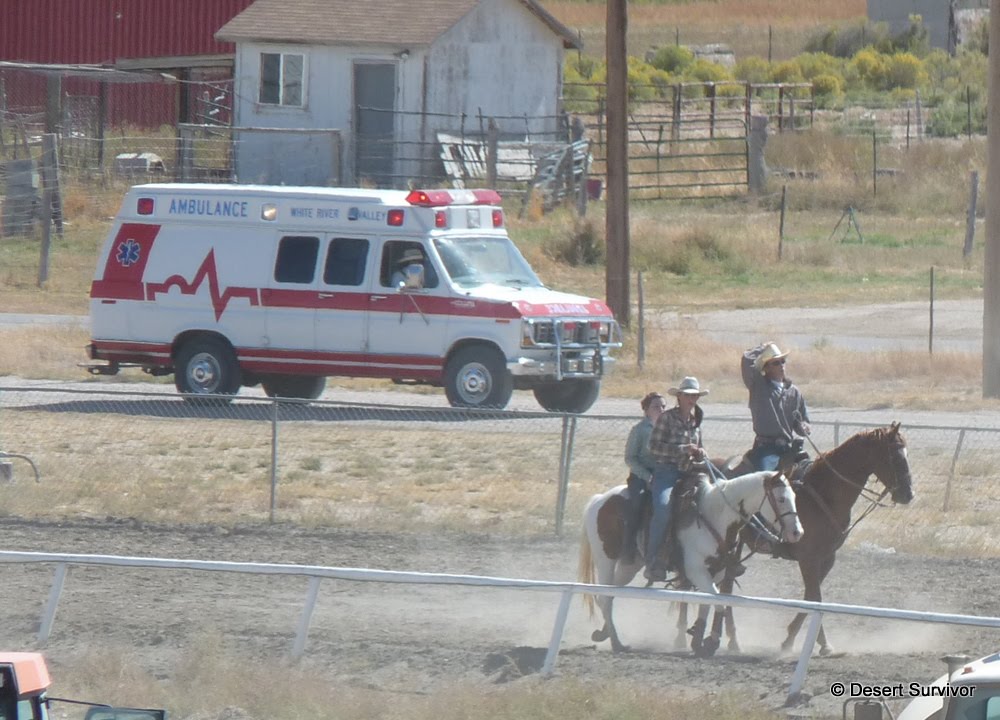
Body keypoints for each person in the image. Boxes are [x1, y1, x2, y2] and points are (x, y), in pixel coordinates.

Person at [644, 376, 708, 582]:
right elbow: (653, 447)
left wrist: (700, 452)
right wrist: (683, 449)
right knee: (662, 508)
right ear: (679, 397)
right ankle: (653, 560)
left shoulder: (696, 420)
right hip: (667, 472)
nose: (692, 399)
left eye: (695, 395)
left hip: (690, 471)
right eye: (688, 395)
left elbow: (700, 445)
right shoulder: (667, 418)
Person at [742, 342, 811, 472]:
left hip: (789, 448)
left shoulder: (794, 392)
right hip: (765, 449)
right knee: (766, 478)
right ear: (766, 368)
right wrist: (762, 348)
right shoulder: (758, 387)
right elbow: (746, 360)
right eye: (776, 363)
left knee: (809, 473)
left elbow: (802, 421)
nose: (781, 366)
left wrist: (804, 427)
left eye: (782, 361)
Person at [621, 391, 666, 563]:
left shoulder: (667, 429)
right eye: (656, 407)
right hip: (640, 476)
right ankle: (628, 547)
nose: (660, 410)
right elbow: (630, 458)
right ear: (646, 410)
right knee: (637, 503)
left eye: (663, 406)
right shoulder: (639, 430)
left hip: (662, 474)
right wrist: (648, 477)